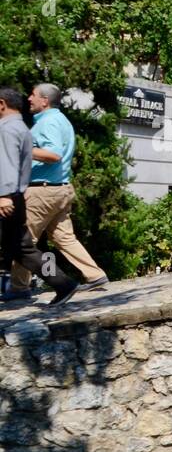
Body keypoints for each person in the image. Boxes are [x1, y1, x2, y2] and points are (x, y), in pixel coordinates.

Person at [5, 84, 107, 301]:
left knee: (24, 242)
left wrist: (22, 149)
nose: (29, 99)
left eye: (33, 95)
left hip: (42, 191)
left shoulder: (48, 122)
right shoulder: (60, 120)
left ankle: (19, 287)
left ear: (45, 101)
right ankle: (95, 275)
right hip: (59, 189)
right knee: (64, 237)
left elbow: (53, 154)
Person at [0, 88, 78, 307]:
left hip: (6, 198)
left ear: (2, 104)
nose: (30, 98)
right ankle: (64, 283)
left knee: (22, 248)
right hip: (17, 196)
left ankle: (64, 284)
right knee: (23, 249)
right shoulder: (23, 128)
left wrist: (3, 195)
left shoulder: (7, 129)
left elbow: (6, 163)